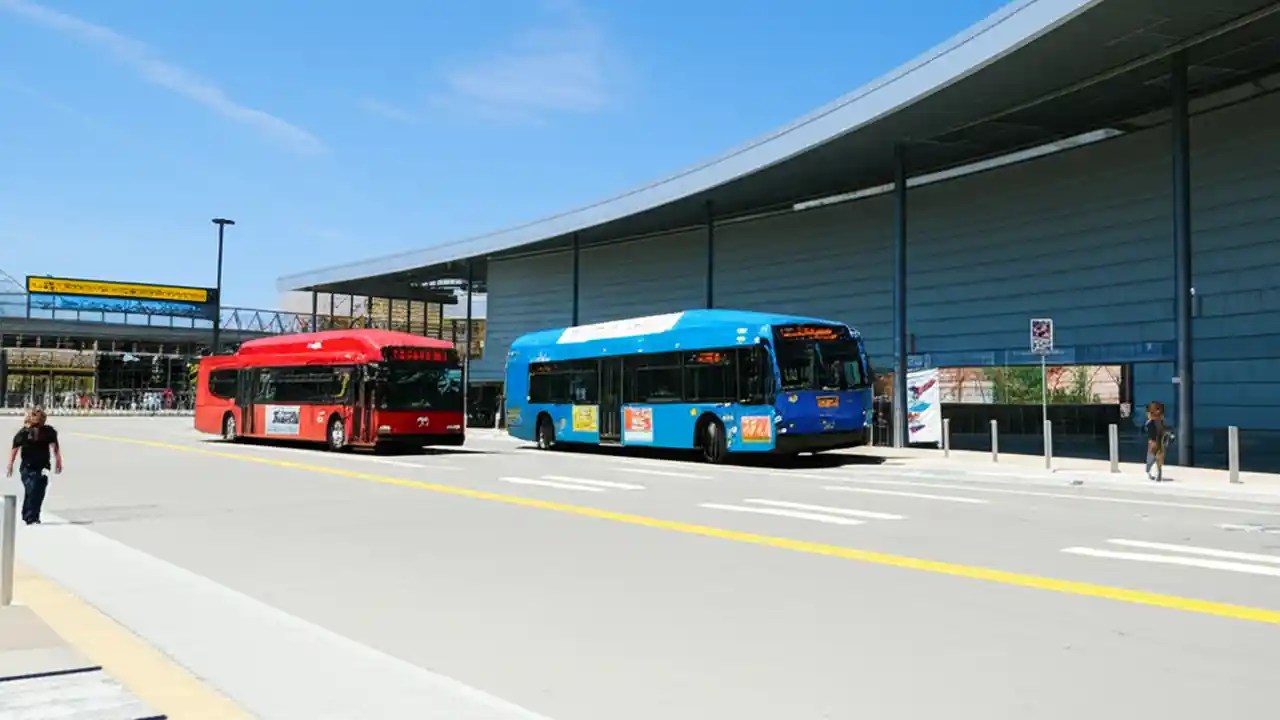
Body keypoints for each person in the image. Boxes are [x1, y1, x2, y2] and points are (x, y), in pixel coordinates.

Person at [5, 407, 63, 525]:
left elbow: (55, 447)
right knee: (32, 489)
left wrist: (59, 461)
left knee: (39, 492)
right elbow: (15, 449)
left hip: (43, 467)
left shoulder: (48, 432)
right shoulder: (23, 433)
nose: (36, 427)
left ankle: (33, 516)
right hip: (27, 467)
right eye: (34, 424)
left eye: (39, 424)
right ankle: (29, 516)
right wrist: (10, 464)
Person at [1143, 401, 1168, 482]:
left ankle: (1156, 473)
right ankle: (1152, 472)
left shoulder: (1157, 422)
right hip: (1156, 441)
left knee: (1156, 458)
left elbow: (1163, 431)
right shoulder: (1154, 423)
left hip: (1157, 441)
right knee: (1154, 458)